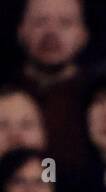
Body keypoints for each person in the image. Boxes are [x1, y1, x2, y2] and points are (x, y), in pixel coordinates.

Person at [12, 0, 90, 175]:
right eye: (40, 21)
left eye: (65, 23)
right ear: (21, 30)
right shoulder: (5, 94)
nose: (51, 32)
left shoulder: (96, 99)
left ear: (83, 35)